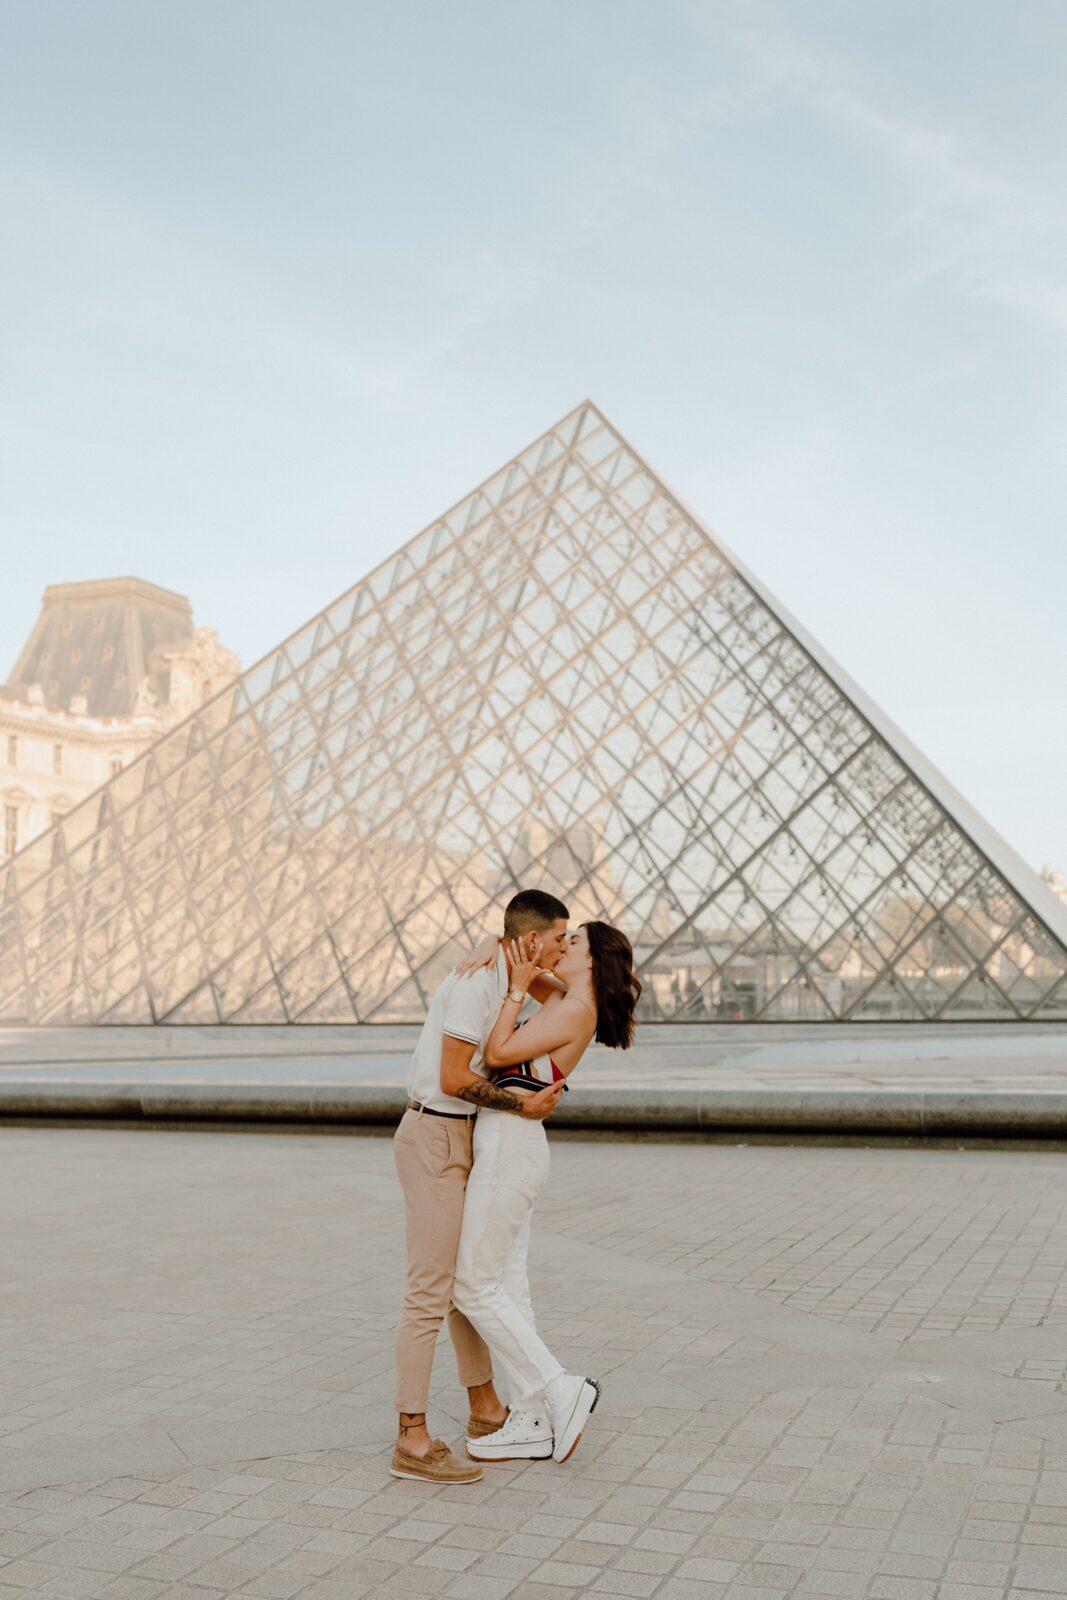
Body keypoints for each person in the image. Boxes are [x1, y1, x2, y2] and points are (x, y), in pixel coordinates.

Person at [390, 889, 571, 1483]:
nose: (565, 950)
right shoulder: (476, 983)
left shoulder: (512, 971)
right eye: (559, 938)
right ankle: (411, 1438)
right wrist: (520, 1109)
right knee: (431, 1290)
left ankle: (485, 1408)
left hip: (463, 1135)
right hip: (437, 1136)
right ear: (533, 938)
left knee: (467, 1279)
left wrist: (504, 951)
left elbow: (574, 996)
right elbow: (452, 1075)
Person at [452, 920, 640, 1466]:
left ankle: (559, 1388)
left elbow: (496, 1048)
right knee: (509, 1286)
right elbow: (523, 961)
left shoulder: (575, 1010)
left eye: (574, 942)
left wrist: (512, 991)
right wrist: (499, 945)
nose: (563, 946)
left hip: (512, 1146)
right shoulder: (565, 998)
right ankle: (532, 1418)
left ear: (593, 962)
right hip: (514, 1143)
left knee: (471, 1282)